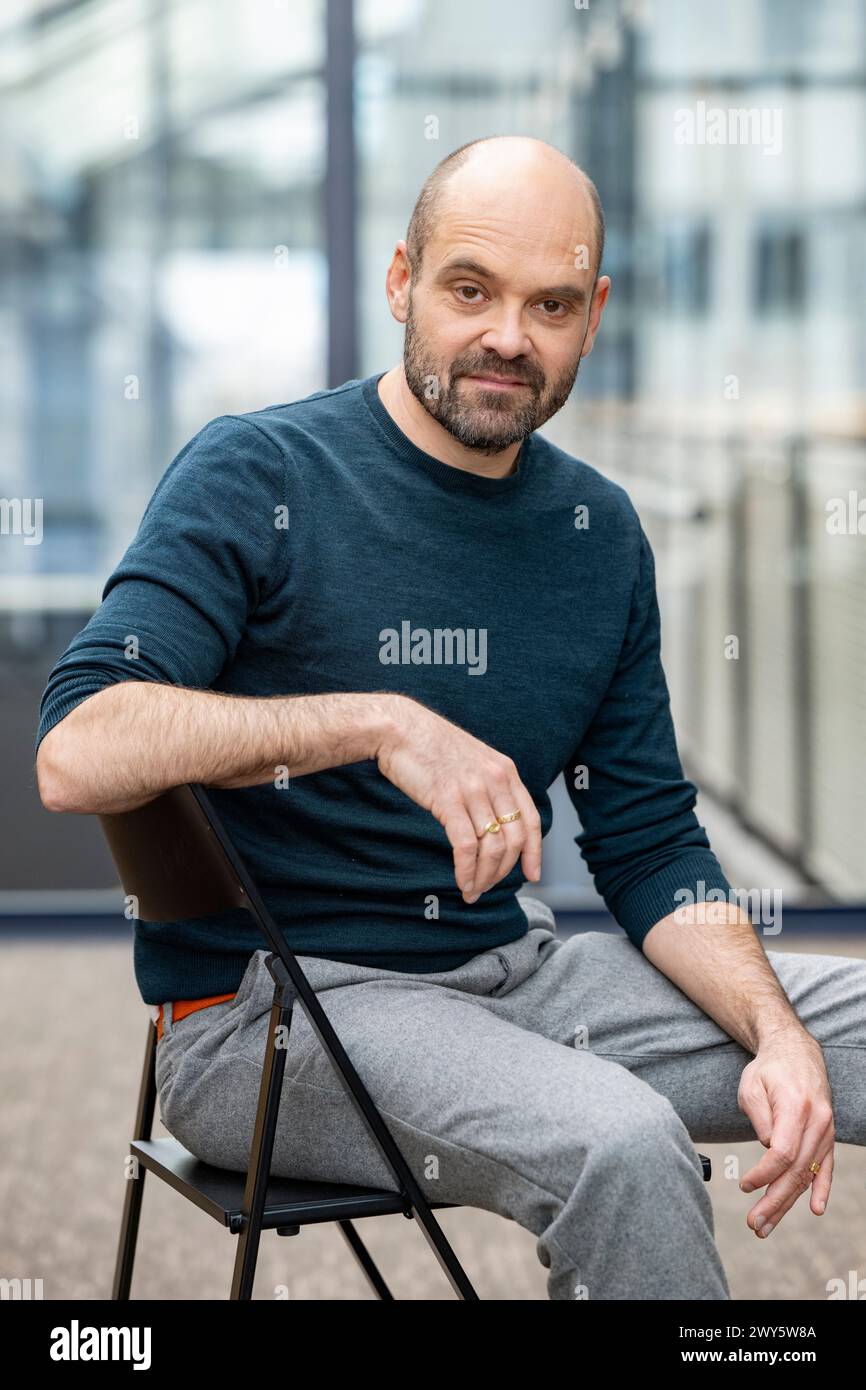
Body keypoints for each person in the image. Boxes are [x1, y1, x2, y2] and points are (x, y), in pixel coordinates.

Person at [35, 135, 865, 1300]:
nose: (508, 339)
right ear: (399, 280)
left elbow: (648, 844)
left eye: (552, 304)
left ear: (594, 312)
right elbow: (78, 751)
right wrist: (377, 720)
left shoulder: (596, 533)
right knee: (618, 1142)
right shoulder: (258, 471)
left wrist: (776, 1033)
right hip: (272, 1018)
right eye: (469, 289)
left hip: (512, 979)